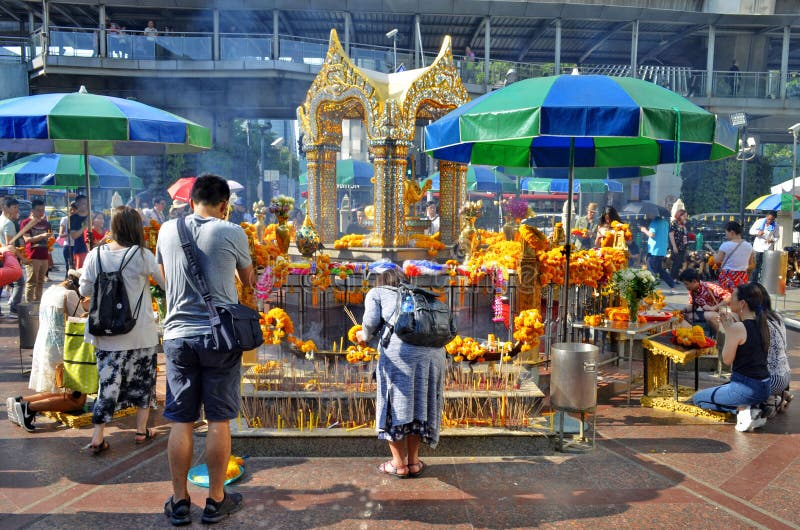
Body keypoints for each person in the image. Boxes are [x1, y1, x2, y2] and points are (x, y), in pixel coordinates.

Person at [156, 173, 253, 525]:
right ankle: (215, 499)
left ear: (191, 199)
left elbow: (164, 276)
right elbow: (250, 281)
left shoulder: (167, 230)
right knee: (218, 420)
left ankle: (180, 501)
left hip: (178, 336)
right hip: (219, 338)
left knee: (181, 420)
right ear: (224, 205)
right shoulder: (232, 231)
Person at [79, 206, 165, 454]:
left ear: (113, 227)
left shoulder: (95, 255)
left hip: (106, 334)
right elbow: (165, 284)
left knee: (108, 384)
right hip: (140, 333)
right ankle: (141, 431)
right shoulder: (142, 255)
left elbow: (84, 291)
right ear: (137, 228)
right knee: (143, 382)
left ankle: (98, 435)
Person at [356, 264, 445, 479]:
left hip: (401, 354)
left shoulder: (377, 292)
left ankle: (399, 464)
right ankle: (414, 462)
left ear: (381, 282)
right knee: (418, 405)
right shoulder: (417, 294)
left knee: (394, 404)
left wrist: (363, 336)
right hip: (434, 354)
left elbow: (369, 324)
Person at [7, 269, 88, 432]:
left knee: (56, 390)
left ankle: (19, 401)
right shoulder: (70, 295)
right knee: (75, 399)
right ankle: (28, 408)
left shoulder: (50, 290)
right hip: (62, 350)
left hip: (45, 345)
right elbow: (80, 322)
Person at [692, 283, 771, 432]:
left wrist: (728, 331)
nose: (729, 300)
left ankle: (743, 412)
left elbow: (727, 360)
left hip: (744, 388)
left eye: (733, 297)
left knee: (698, 399)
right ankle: (752, 408)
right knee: (720, 391)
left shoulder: (738, 328)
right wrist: (730, 330)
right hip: (764, 386)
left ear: (742, 304)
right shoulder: (762, 324)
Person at [750, 283, 792, 416]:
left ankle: (771, 400)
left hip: (771, 380)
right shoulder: (777, 316)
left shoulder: (756, 321)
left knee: (736, 387)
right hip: (785, 376)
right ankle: (780, 395)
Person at [20, 199, 52, 303]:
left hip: (44, 256)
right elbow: (27, 239)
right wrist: (41, 236)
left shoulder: (46, 223)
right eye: (38, 210)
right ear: (32, 210)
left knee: (40, 282)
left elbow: (48, 240)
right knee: (31, 282)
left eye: (43, 210)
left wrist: (49, 240)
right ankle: (29, 305)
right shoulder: (25, 222)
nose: (41, 213)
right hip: (32, 256)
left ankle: (38, 303)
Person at [0, 197, 24, 316]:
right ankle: (14, 309)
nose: (17, 210)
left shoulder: (1, 220)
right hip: (7, 258)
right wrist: (23, 258)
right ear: (6, 207)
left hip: (1, 256)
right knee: (19, 282)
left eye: (17, 207)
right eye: (14, 207)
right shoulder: (8, 223)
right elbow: (10, 246)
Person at [640, 213, 676, 291]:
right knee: (659, 269)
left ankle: (649, 288)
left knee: (651, 269)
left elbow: (652, 234)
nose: (648, 216)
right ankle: (672, 284)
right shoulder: (665, 222)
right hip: (661, 249)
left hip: (654, 250)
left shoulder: (655, 222)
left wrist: (644, 230)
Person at [716, 221, 753, 291]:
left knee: (726, 297)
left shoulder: (725, 245)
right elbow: (751, 264)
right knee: (739, 297)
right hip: (742, 277)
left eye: (726, 232)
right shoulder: (749, 245)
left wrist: (715, 256)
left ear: (732, 232)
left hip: (728, 276)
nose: (725, 235)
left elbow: (717, 261)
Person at [748, 210, 779, 284]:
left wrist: (772, 240)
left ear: (774, 219)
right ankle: (753, 283)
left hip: (768, 249)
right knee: (756, 267)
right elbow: (751, 231)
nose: (770, 221)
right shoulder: (759, 222)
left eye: (772, 219)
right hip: (758, 247)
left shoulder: (776, 225)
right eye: (769, 219)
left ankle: (764, 283)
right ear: (766, 216)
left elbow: (777, 237)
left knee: (766, 267)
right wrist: (758, 232)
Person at [68, 195, 90, 269]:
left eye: (86, 203)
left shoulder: (94, 216)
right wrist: (84, 227)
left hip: (95, 248)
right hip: (81, 250)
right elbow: (74, 236)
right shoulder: (73, 218)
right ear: (77, 204)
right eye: (82, 203)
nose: (84, 206)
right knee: (80, 273)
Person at [668, 208, 689, 280]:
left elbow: (685, 236)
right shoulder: (674, 223)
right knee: (676, 262)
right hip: (676, 246)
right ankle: (672, 278)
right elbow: (671, 235)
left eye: (686, 216)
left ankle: (675, 278)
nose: (685, 218)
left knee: (679, 263)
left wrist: (686, 247)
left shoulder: (684, 225)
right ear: (679, 216)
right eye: (684, 216)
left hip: (682, 247)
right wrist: (674, 246)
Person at [58, 203, 77, 278]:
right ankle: (68, 279)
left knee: (76, 265)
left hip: (77, 246)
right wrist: (69, 233)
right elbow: (60, 235)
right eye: (71, 209)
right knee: (68, 265)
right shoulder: (65, 219)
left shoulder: (80, 220)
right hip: (68, 245)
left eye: (74, 209)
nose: (72, 211)